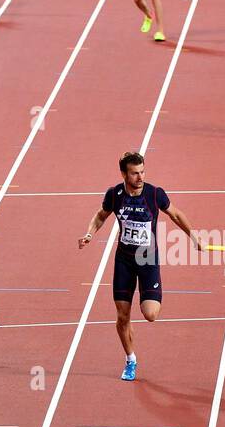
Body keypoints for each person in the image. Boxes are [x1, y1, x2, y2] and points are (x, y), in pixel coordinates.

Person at [78, 151, 200, 381]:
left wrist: (194, 236)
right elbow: (100, 215)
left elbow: (175, 214)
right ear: (124, 173)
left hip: (147, 260)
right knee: (123, 316)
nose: (140, 176)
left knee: (151, 314)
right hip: (124, 260)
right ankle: (130, 359)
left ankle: (146, 300)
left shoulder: (155, 194)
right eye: (135, 173)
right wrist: (89, 233)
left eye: (142, 171)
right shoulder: (115, 194)